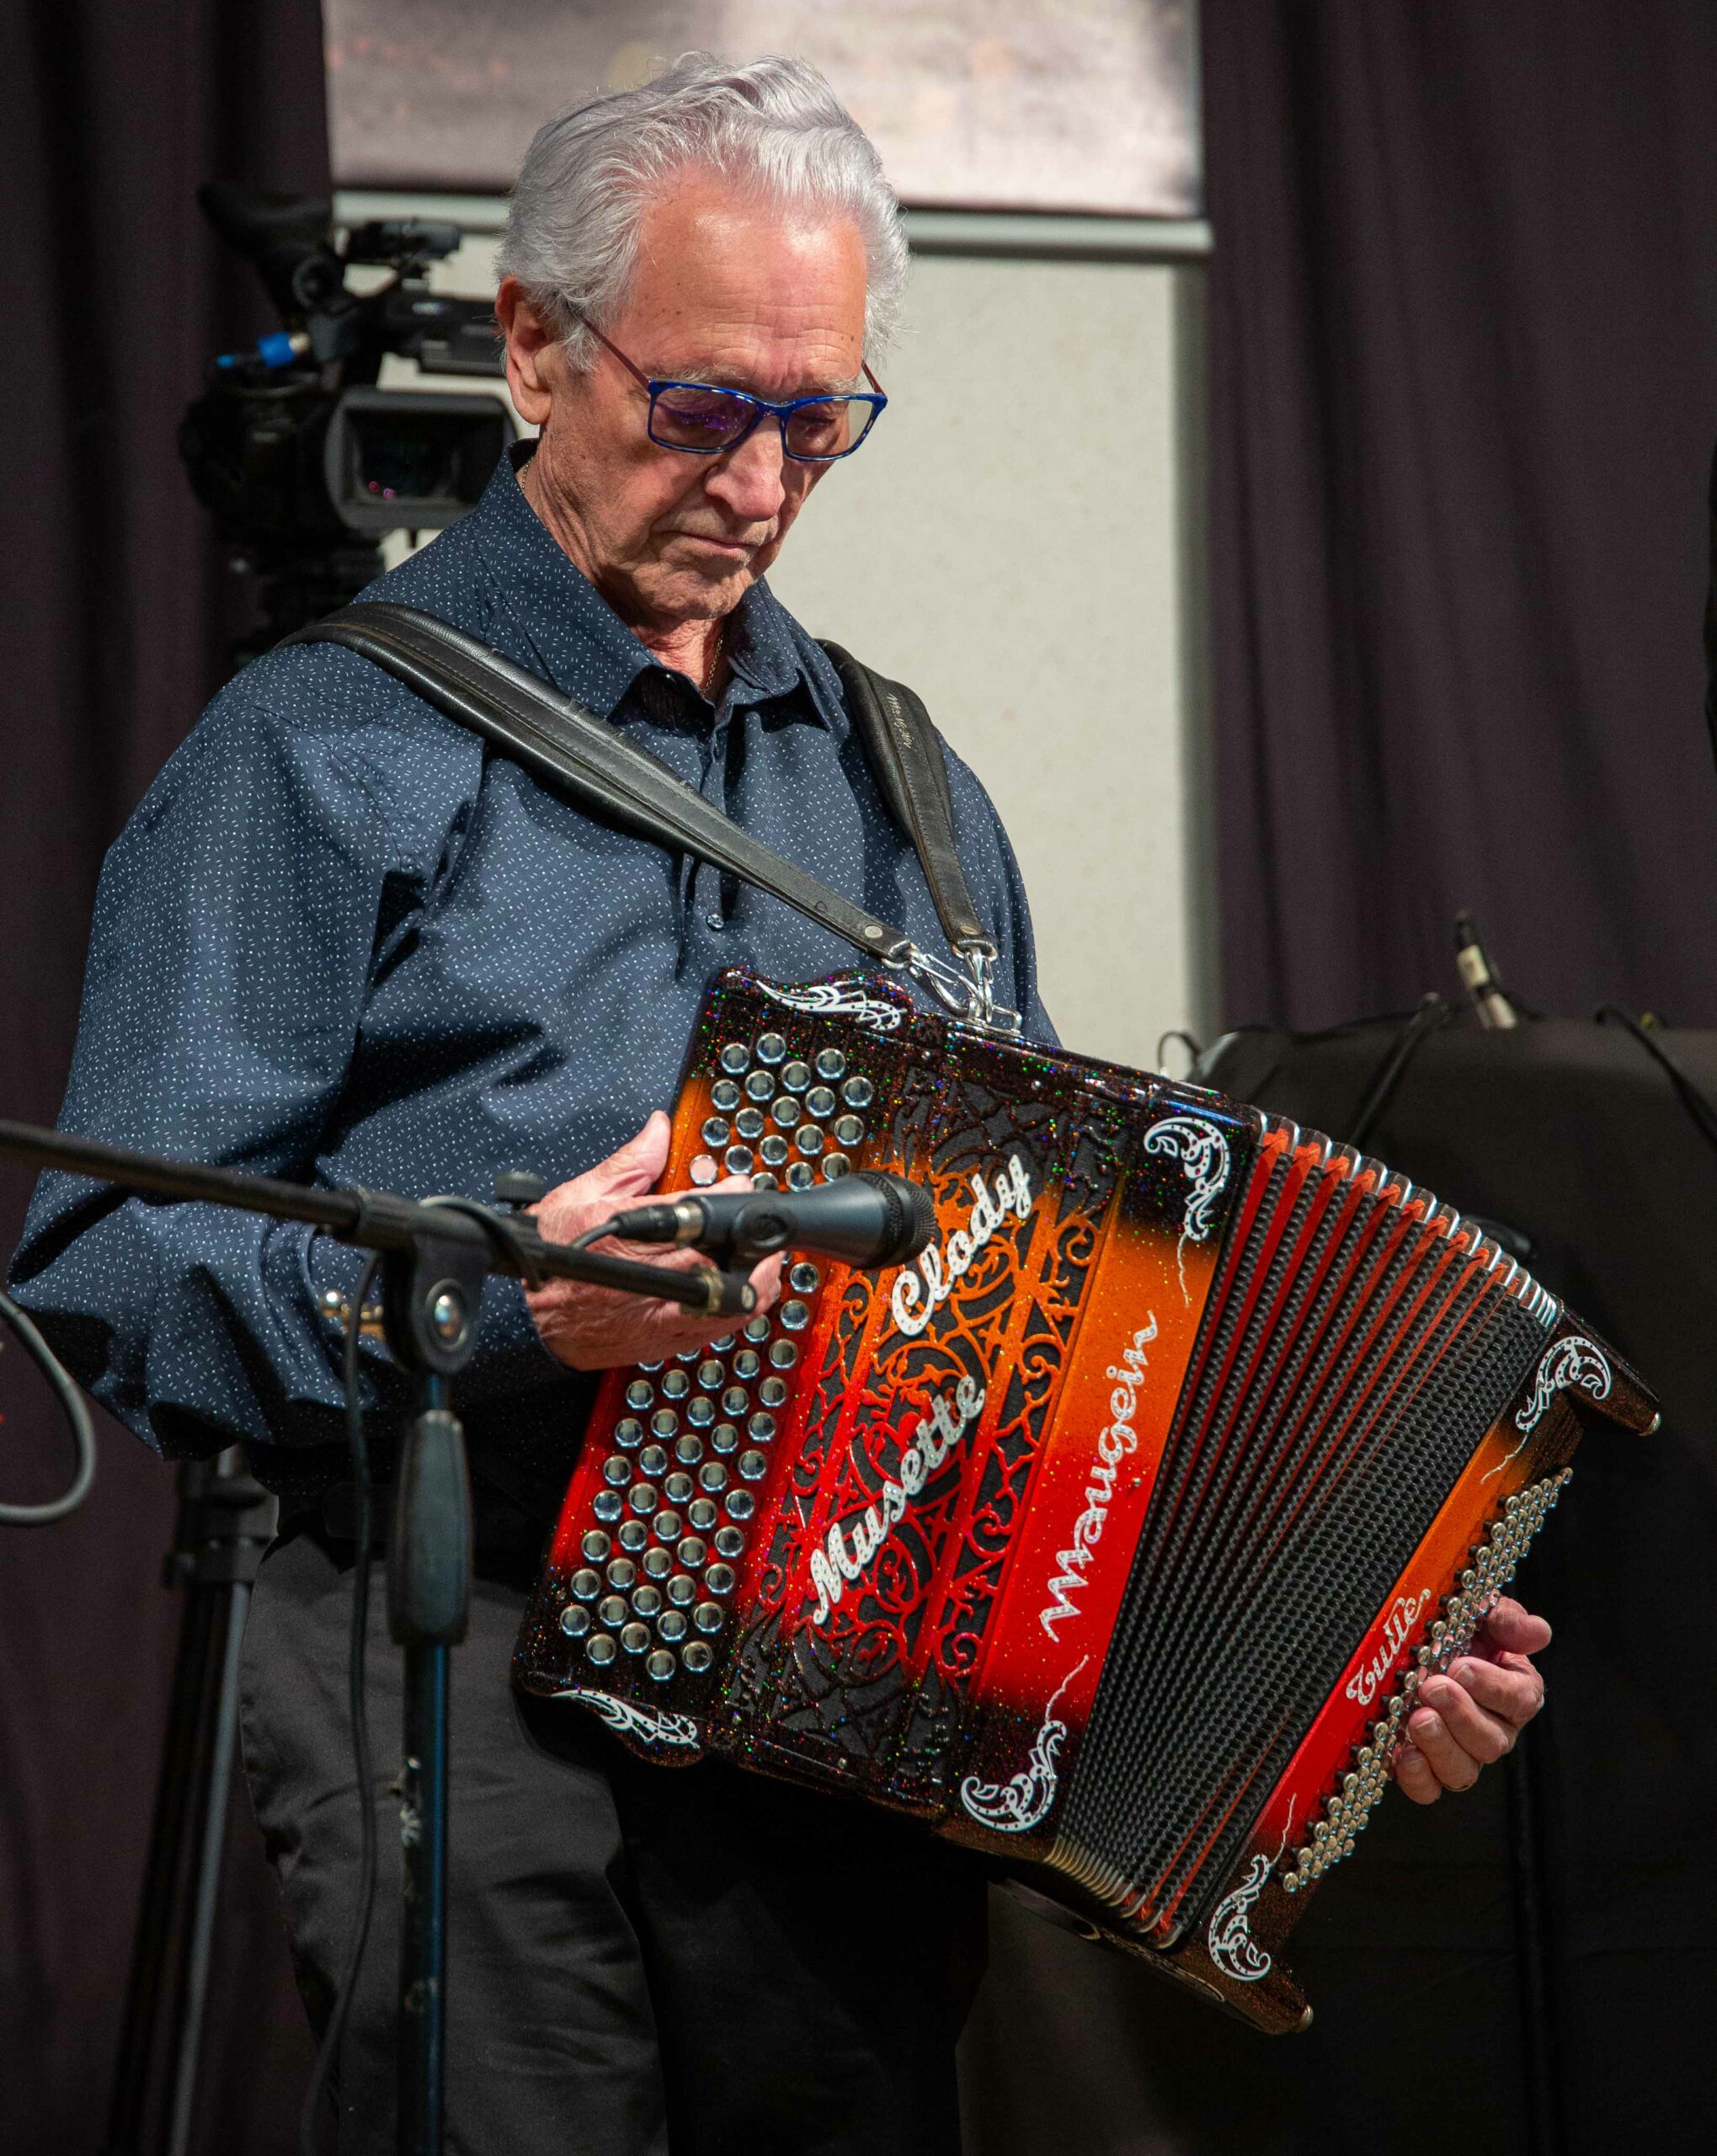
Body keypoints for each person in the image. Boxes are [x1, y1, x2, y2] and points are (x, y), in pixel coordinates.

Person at [9, 52, 1552, 2156]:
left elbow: (1068, 1316)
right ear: (537, 347)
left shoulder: (905, 788)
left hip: (845, 1699)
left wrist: (1351, 1641)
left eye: (818, 419)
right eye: (706, 404)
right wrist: (488, 1307)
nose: (759, 479)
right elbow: (113, 1254)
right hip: (470, 1658)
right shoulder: (317, 753)